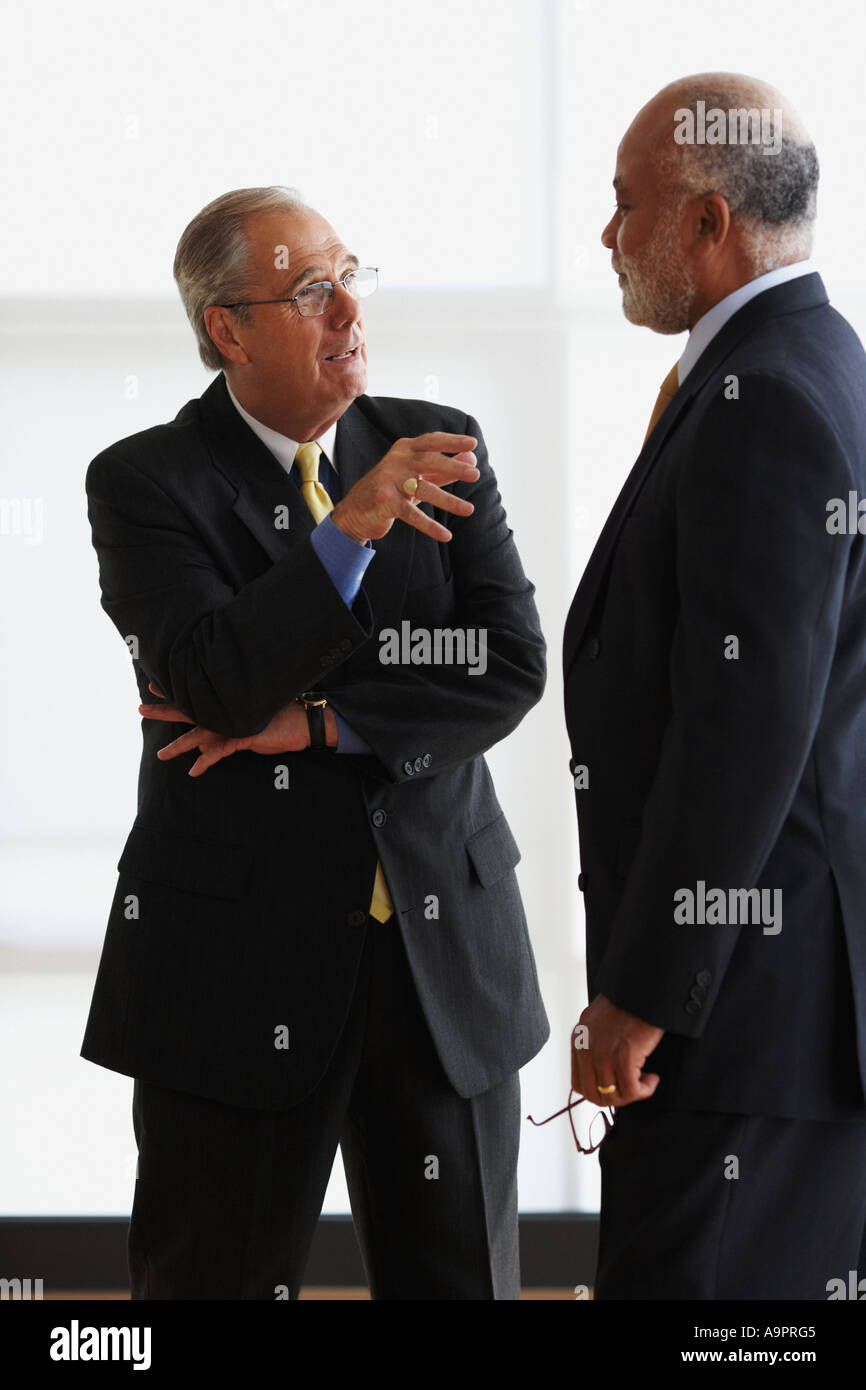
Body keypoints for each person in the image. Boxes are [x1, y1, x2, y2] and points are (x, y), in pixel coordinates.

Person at [81, 186, 549, 1300]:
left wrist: (328, 722)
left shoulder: (439, 443)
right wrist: (343, 533)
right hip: (233, 975)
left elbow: (505, 666)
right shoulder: (144, 481)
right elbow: (216, 681)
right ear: (225, 330)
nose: (347, 308)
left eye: (349, 275)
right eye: (306, 290)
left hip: (439, 962)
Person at [563, 74, 866, 1299]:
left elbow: (744, 726)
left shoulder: (765, 396)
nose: (606, 236)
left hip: (742, 1010)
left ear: (705, 222)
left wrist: (642, 994)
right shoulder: (804, 358)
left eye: (623, 205)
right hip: (775, 993)